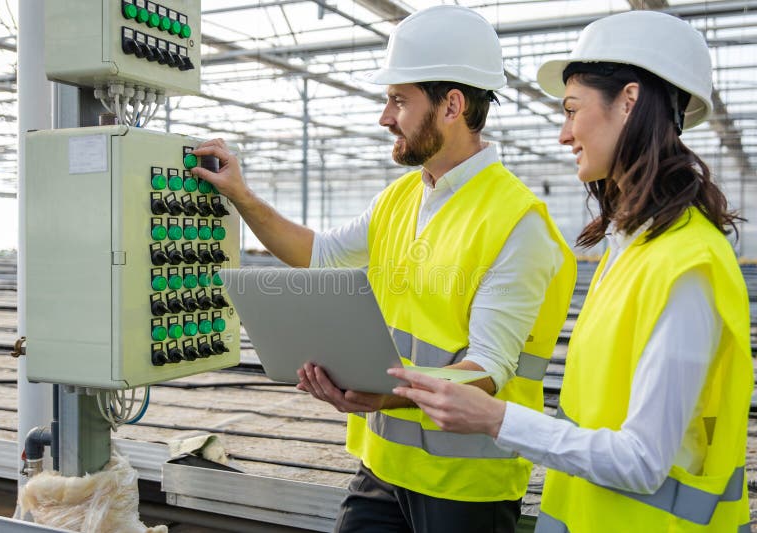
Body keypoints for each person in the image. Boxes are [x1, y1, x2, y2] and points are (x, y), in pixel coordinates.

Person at [192, 6, 577, 532]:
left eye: (399, 99)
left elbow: (488, 368)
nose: (384, 116)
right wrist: (241, 195)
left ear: (453, 106)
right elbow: (319, 253)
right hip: (382, 463)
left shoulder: (517, 221)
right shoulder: (400, 197)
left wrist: (387, 394)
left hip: (463, 484)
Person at [390, 10, 751, 533]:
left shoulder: (688, 266)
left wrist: (496, 418)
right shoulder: (631, 249)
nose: (563, 134)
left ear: (628, 102)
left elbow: (644, 460)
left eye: (572, 110)